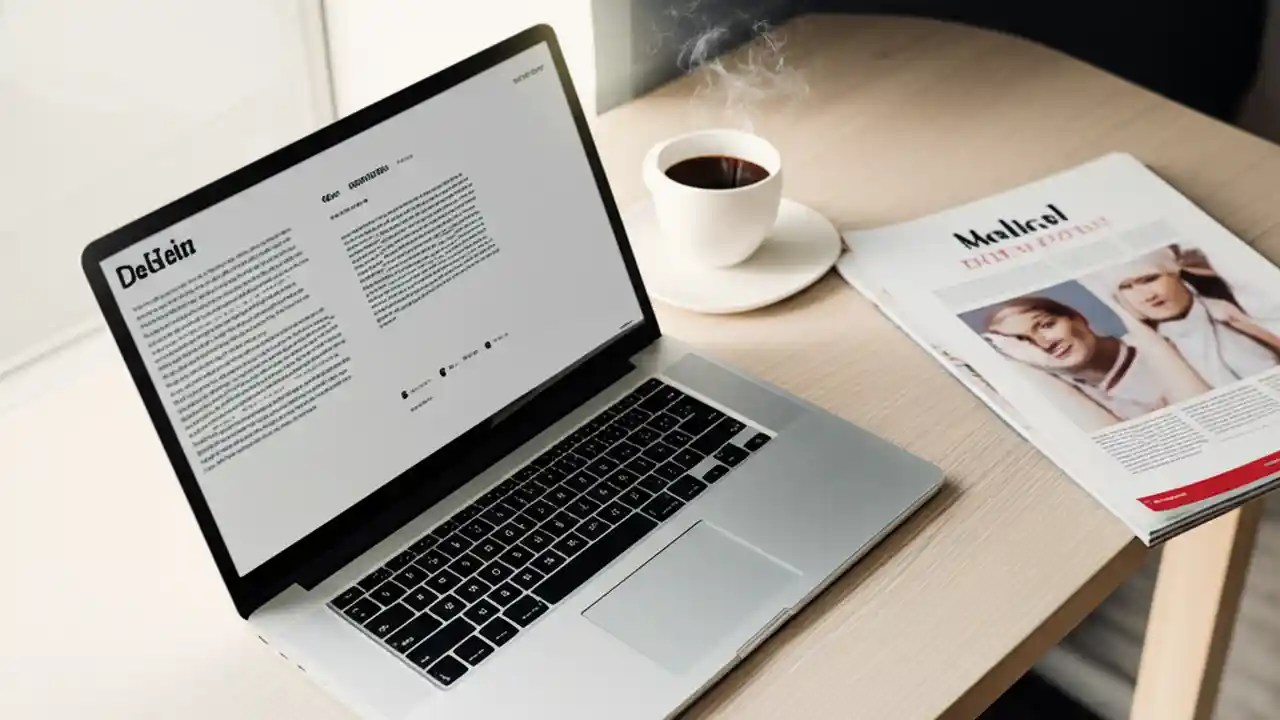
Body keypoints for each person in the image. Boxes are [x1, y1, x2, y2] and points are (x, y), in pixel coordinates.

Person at [983, 296, 1209, 422]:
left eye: (1046, 325)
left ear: (1077, 317)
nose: (1044, 344)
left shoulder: (1168, 345)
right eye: (1021, 344)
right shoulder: (1060, 401)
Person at [1091, 248, 1280, 387]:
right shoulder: (1144, 351)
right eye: (1127, 287)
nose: (1147, 295)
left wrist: (1247, 325)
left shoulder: (1238, 307)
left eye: (1150, 279)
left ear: (1175, 275)